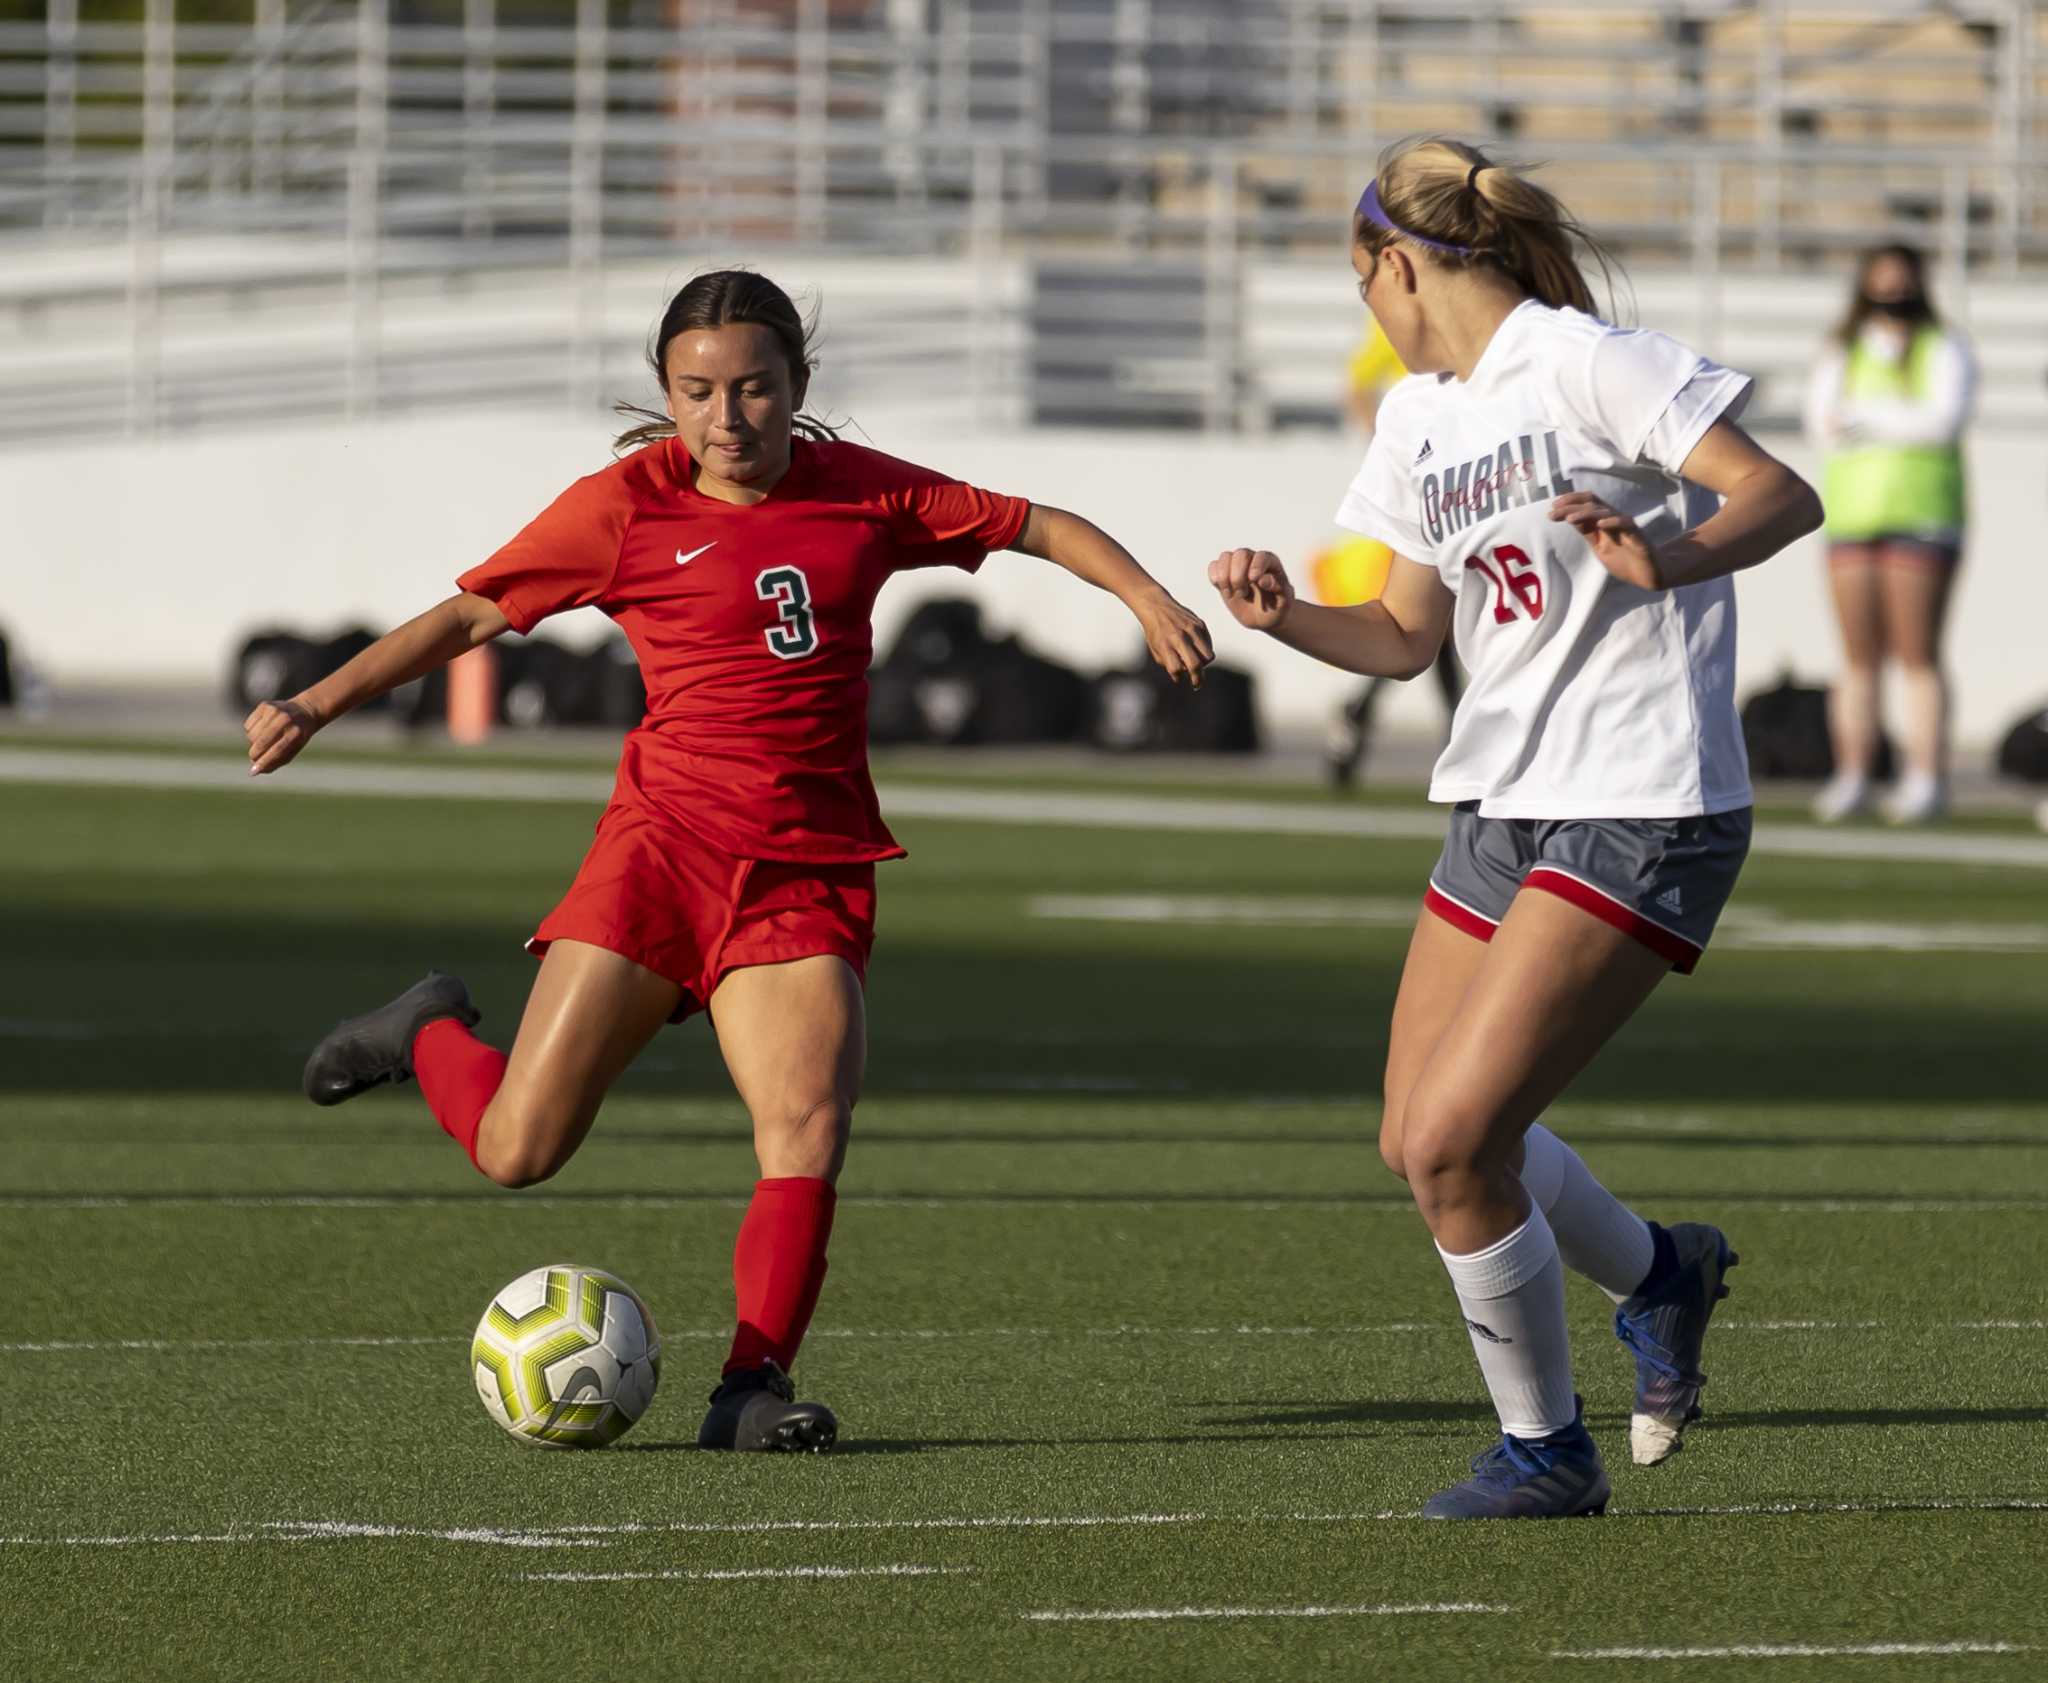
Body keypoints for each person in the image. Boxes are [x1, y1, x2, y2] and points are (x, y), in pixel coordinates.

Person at [245, 268, 1214, 1454]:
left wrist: (1146, 597)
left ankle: (747, 1388)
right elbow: (467, 617)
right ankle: (424, 1032)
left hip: (803, 871)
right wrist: (316, 700)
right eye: (697, 391)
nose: (726, 416)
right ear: (666, 395)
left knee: (805, 1124)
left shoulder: (865, 494)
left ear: (797, 386)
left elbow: (1037, 524)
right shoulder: (622, 508)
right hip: (658, 859)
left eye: (753, 387)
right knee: (516, 1152)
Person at [1208, 138, 1822, 1519]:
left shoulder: (1588, 360)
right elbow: (1403, 632)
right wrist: (1284, 615)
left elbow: (1781, 492)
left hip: (1642, 794)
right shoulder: (1420, 415)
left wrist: (1671, 553)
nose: (1362, 300)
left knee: (1453, 1146)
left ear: (1398, 263)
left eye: (1360, 277)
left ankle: (1549, 1451)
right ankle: (1663, 1271)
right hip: (1505, 795)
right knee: (1415, 1139)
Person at [1804, 244, 1974, 825]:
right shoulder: (1842, 350)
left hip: (1924, 515)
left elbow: (1941, 420)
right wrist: (1894, 415)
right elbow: (1823, 426)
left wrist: (1868, 417)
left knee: (1917, 654)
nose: (1892, 294)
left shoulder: (1943, 346)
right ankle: (1853, 773)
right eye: (1882, 282)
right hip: (1852, 516)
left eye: (1903, 282)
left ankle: (1925, 776)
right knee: (1857, 658)